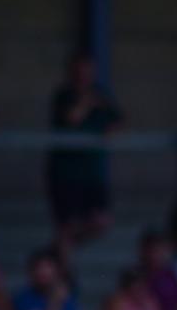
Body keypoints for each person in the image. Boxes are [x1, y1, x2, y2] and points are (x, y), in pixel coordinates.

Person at [46, 51, 123, 259]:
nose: (84, 76)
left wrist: (109, 129)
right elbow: (72, 119)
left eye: (87, 71)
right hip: (65, 173)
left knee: (101, 221)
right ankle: (61, 259)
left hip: (92, 172)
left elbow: (118, 121)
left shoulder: (101, 93)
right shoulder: (64, 95)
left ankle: (58, 250)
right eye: (79, 71)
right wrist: (87, 102)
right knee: (66, 226)